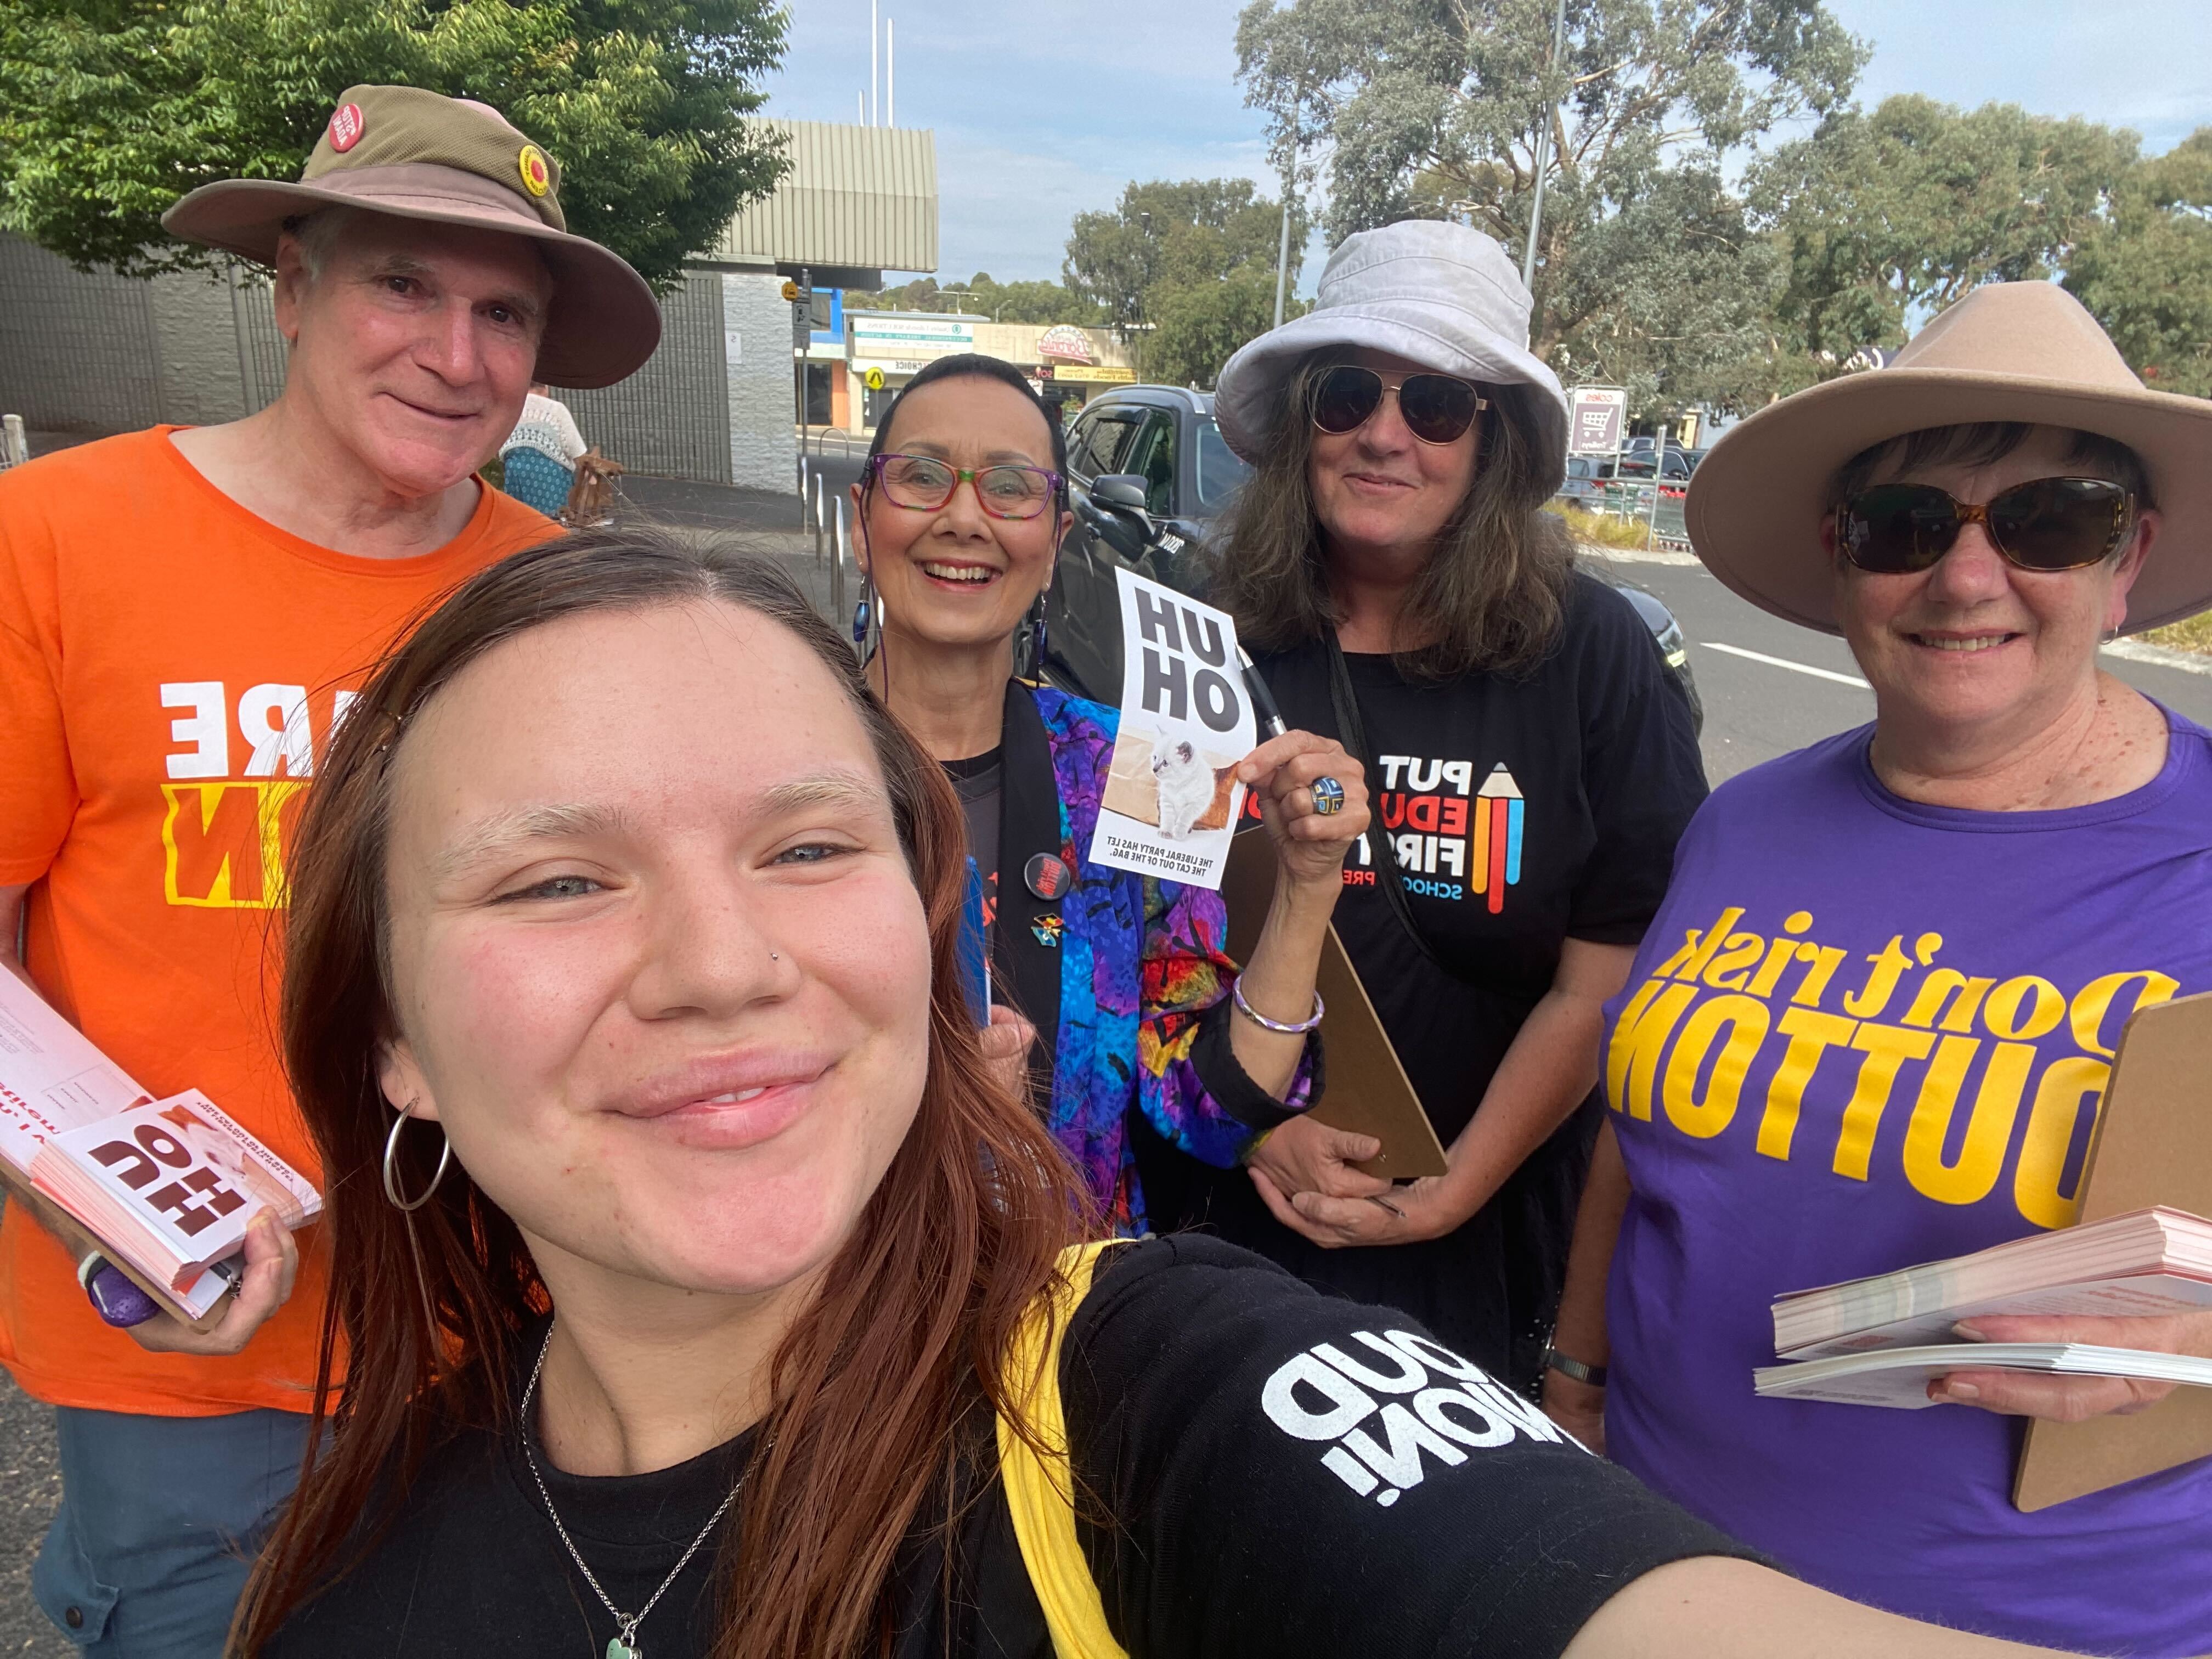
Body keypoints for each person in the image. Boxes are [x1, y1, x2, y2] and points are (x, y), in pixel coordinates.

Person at [235, 528, 2063, 1659]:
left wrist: (1314, 893)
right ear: (388, 1027)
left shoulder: (1150, 1405)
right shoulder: (355, 1553)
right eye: (558, 877)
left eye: (809, 848)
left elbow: (1206, 1102)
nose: (722, 965)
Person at [0, 82, 658, 1655]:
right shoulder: (58, 540)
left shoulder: (559, 594)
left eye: (505, 311)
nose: (457, 353)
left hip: (514, 1335)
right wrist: (98, 1208)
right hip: (193, 1361)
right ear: (291, 289)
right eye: (403, 284)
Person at [1543, 281, 2212, 1654]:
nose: (1968, 579)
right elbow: (1643, 1131)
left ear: (2128, 554)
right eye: (1908, 528)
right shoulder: (1745, 819)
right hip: (1657, 1570)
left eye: (2049, 520)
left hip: (2036, 1621)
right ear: (1845, 559)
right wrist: (1570, 1378)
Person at [1137, 220, 1707, 1386]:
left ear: (1489, 441)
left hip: (1484, 1246)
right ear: (1304, 422)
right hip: (1241, 1221)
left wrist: (1453, 1190)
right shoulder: (1209, 635)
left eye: (1437, 404)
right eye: (1349, 395)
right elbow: (1152, 939)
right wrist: (1250, 1126)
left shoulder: (1594, 655)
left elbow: (1608, 984)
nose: (1385, 435)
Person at [845, 352, 1368, 1232]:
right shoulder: (771, 764)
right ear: (864, 521)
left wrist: (1309, 883)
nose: (965, 516)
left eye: (1011, 488)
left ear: (1053, 546)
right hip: (828, 1320)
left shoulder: (1132, 766)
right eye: (923, 477)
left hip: (1069, 1324)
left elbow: (1212, 1114)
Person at [499, 382, 590, 517]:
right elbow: (575, 448)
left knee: (520, 519)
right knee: (554, 522)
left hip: (516, 471)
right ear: (546, 388)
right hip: (551, 475)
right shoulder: (556, 409)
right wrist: (588, 476)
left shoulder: (510, 409)